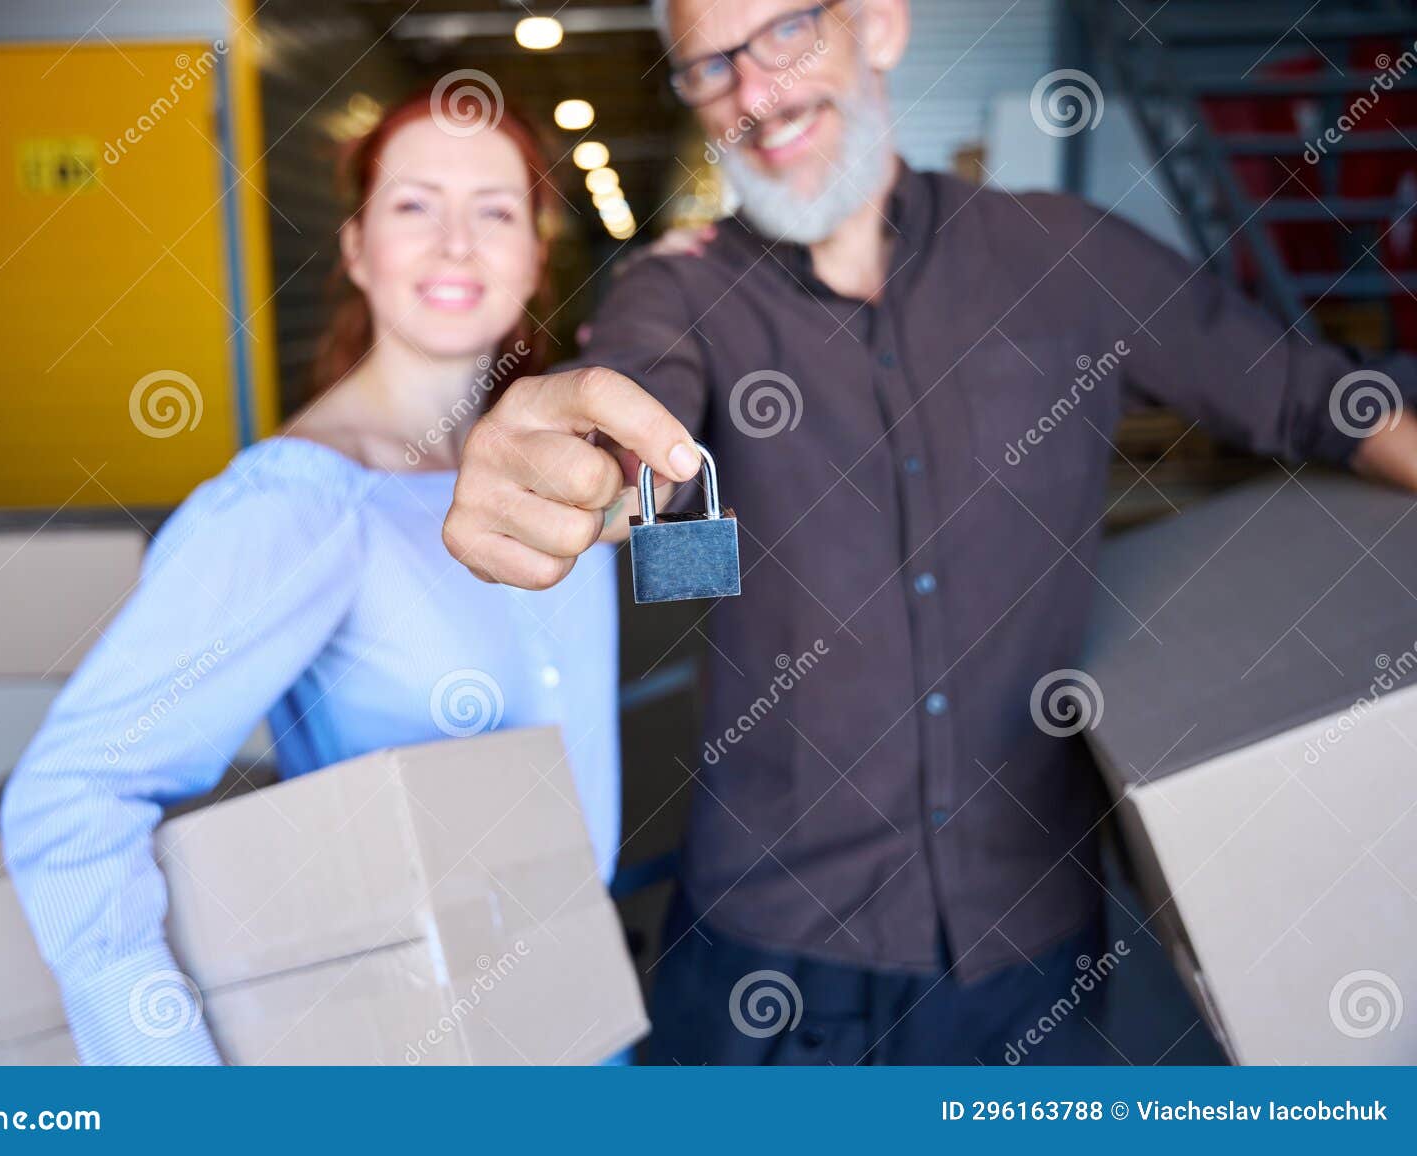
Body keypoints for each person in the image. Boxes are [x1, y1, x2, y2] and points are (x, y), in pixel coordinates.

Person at [441, 0, 1417, 1064]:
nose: (756, 96)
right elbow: (638, 409)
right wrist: (576, 461)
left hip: (1028, 948)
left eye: (784, 34)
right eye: (710, 66)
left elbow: (1312, 399)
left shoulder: (1058, 251)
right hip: (768, 962)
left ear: (882, 26)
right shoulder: (680, 289)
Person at [0, 93, 621, 1065]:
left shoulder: (558, 459)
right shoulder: (298, 505)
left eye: (495, 209)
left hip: (577, 1025)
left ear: (536, 253)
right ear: (357, 247)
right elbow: (68, 796)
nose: (456, 243)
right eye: (415, 205)